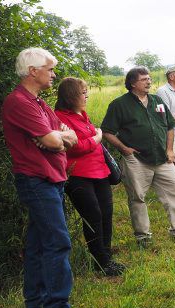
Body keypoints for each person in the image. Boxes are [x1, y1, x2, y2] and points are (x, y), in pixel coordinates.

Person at [1, 48, 81, 308]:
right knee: (58, 242)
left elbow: (67, 137)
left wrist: (55, 137)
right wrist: (54, 138)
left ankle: (34, 307)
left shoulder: (39, 103)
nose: (54, 74)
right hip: (37, 180)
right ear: (33, 71)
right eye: (50, 69)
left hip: (52, 178)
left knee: (37, 245)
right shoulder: (18, 102)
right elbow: (53, 141)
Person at [102, 66, 175, 246]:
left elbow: (169, 126)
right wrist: (124, 148)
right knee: (137, 197)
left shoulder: (157, 101)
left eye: (149, 79)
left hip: (162, 157)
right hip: (136, 159)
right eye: (144, 79)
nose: (149, 82)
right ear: (132, 83)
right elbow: (107, 131)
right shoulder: (119, 104)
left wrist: (169, 150)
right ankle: (143, 236)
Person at [55, 77, 124, 277]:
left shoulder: (83, 115)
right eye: (83, 93)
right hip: (77, 175)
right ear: (71, 96)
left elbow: (84, 143)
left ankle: (107, 258)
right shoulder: (59, 118)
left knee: (106, 214)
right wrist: (97, 137)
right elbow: (76, 147)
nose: (86, 96)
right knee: (93, 216)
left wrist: (92, 139)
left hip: (100, 172)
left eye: (86, 92)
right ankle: (100, 261)